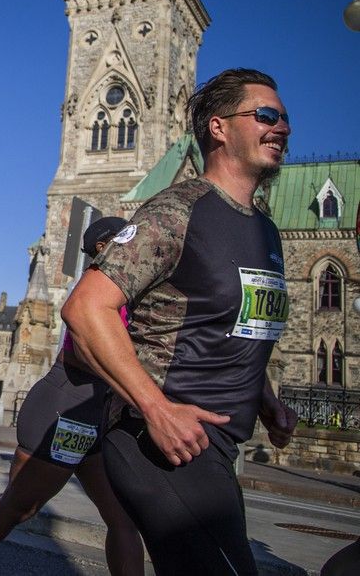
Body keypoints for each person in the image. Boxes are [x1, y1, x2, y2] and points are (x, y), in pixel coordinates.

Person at [62, 68, 298, 575]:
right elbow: (85, 308)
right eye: (266, 116)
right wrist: (156, 408)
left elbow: (225, 326)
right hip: (161, 445)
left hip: (216, 447)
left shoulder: (265, 231)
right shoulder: (176, 210)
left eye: (284, 119)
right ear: (219, 127)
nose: (282, 127)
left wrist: (265, 399)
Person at [0, 218, 142, 576]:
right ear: (104, 249)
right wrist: (138, 391)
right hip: (65, 410)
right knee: (20, 507)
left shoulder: (128, 293)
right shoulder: (92, 288)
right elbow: (81, 353)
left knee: (123, 518)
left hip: (98, 415)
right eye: (127, 243)